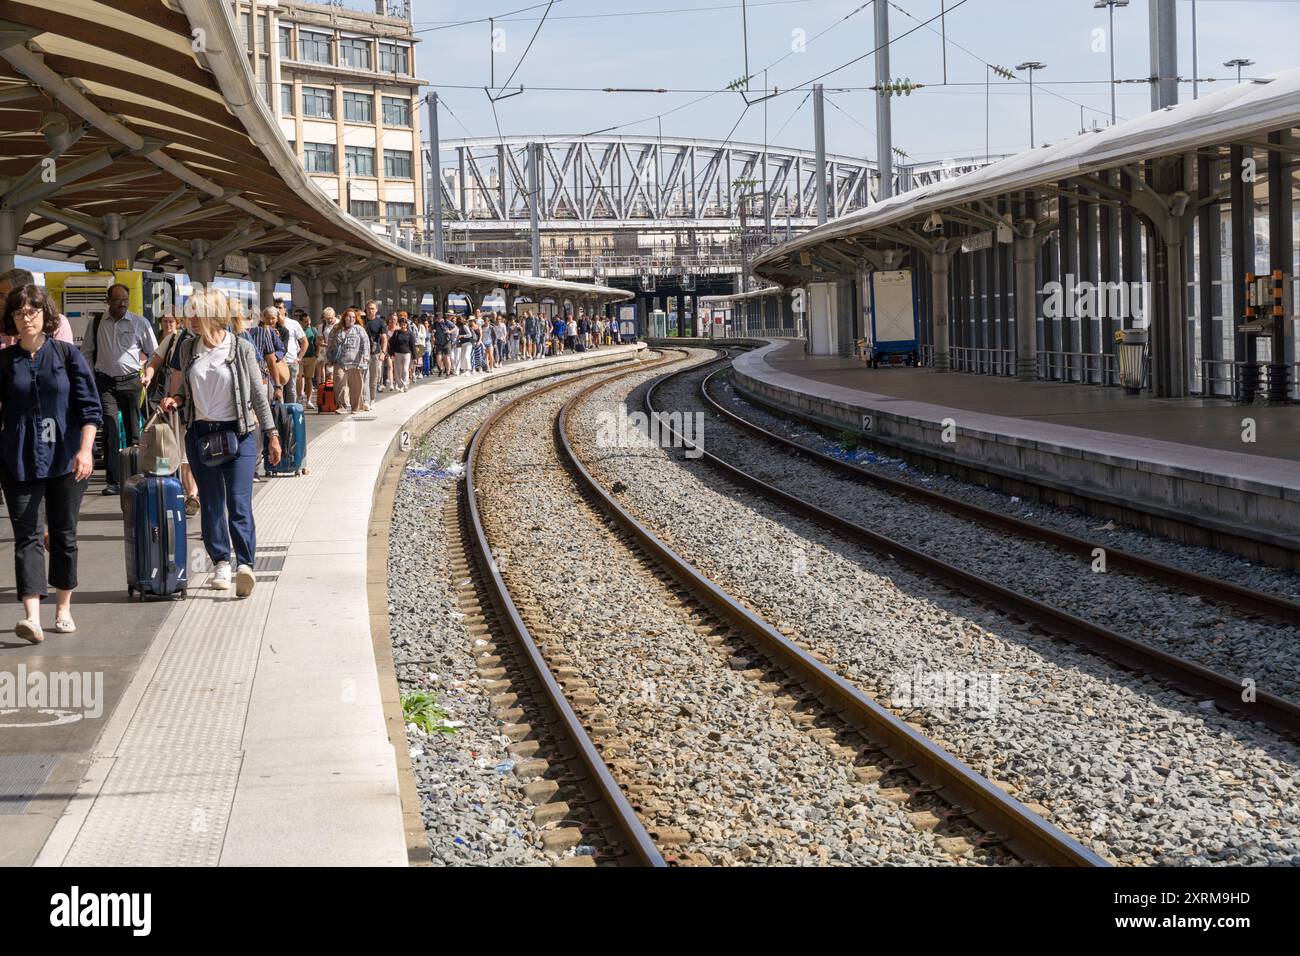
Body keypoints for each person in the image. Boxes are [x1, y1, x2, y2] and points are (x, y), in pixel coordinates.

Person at [159, 288, 280, 599]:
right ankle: (221, 562)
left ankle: (245, 565)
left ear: (214, 315)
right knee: (211, 503)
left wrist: (273, 434)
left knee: (238, 503)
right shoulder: (188, 349)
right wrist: (177, 399)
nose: (192, 319)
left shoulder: (240, 347)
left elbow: (256, 394)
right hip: (201, 436)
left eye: (197, 313)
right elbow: (184, 387)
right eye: (190, 314)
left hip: (238, 434)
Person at [0, 285, 102, 643]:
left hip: (65, 457)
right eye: (18, 313)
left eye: (31, 312)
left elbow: (90, 408)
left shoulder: (67, 355)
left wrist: (86, 450)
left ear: (45, 315)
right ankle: (31, 617)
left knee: (63, 534)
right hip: (18, 460)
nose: (25, 319)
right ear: (11, 320)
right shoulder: (5, 363)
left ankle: (63, 608)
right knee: (26, 537)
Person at [80, 283, 156, 495]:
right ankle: (113, 482)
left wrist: (147, 373)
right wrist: (91, 377)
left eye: (125, 299)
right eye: (117, 299)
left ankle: (136, 477)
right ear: (108, 301)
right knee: (111, 430)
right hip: (105, 384)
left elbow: (154, 353)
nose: (122, 303)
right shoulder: (96, 323)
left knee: (134, 432)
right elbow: (87, 352)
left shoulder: (140, 323)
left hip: (132, 382)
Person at [143, 313, 200, 516]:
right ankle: (190, 494)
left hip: (197, 406)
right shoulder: (175, 339)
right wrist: (147, 377)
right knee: (177, 450)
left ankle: (191, 493)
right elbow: (155, 362)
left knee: (187, 452)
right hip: (173, 406)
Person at [0, 268, 74, 346]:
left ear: (23, 292)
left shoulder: (56, 322)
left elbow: (64, 356)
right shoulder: (4, 323)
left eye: (3, 296)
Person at [330, 308, 369, 412]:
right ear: (344, 318)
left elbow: (365, 342)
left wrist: (365, 355)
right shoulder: (337, 328)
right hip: (340, 361)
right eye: (349, 316)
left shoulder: (359, 329)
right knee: (339, 383)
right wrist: (329, 356)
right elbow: (330, 342)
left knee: (356, 386)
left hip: (356, 362)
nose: (351, 319)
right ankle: (341, 406)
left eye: (353, 317)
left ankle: (355, 407)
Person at [363, 301, 386, 407]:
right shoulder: (361, 321)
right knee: (364, 378)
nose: (370, 310)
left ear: (376, 310)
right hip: (362, 354)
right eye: (369, 308)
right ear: (366, 309)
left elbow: (384, 338)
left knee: (373, 378)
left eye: (372, 308)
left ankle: (372, 399)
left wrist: (383, 352)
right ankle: (365, 400)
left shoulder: (380, 322)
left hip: (375, 353)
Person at [388, 316, 413, 392]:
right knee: (398, 371)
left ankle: (405, 384)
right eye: (401, 324)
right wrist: (391, 354)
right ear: (399, 324)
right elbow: (391, 343)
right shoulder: (396, 333)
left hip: (407, 354)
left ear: (406, 325)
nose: (403, 325)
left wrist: (415, 357)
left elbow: (412, 345)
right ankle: (400, 384)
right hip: (397, 353)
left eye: (404, 324)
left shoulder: (410, 333)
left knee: (405, 370)